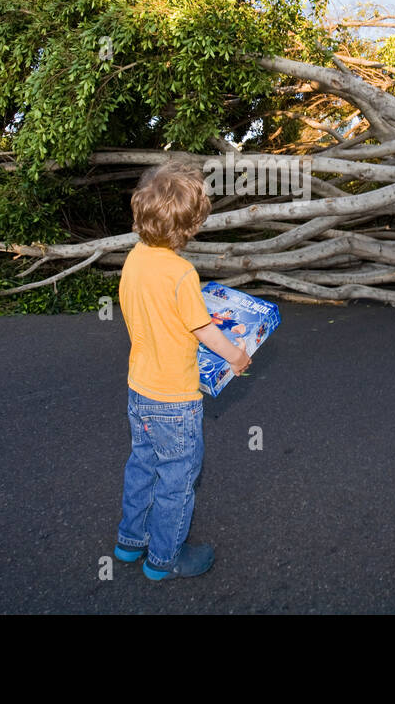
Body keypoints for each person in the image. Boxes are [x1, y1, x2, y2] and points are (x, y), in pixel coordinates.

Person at [114, 162, 251, 580]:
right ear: (190, 227)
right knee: (177, 478)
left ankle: (129, 541)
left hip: (140, 389)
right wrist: (237, 356)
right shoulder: (181, 273)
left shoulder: (135, 259)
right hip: (175, 398)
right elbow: (204, 330)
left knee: (142, 465)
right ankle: (164, 559)